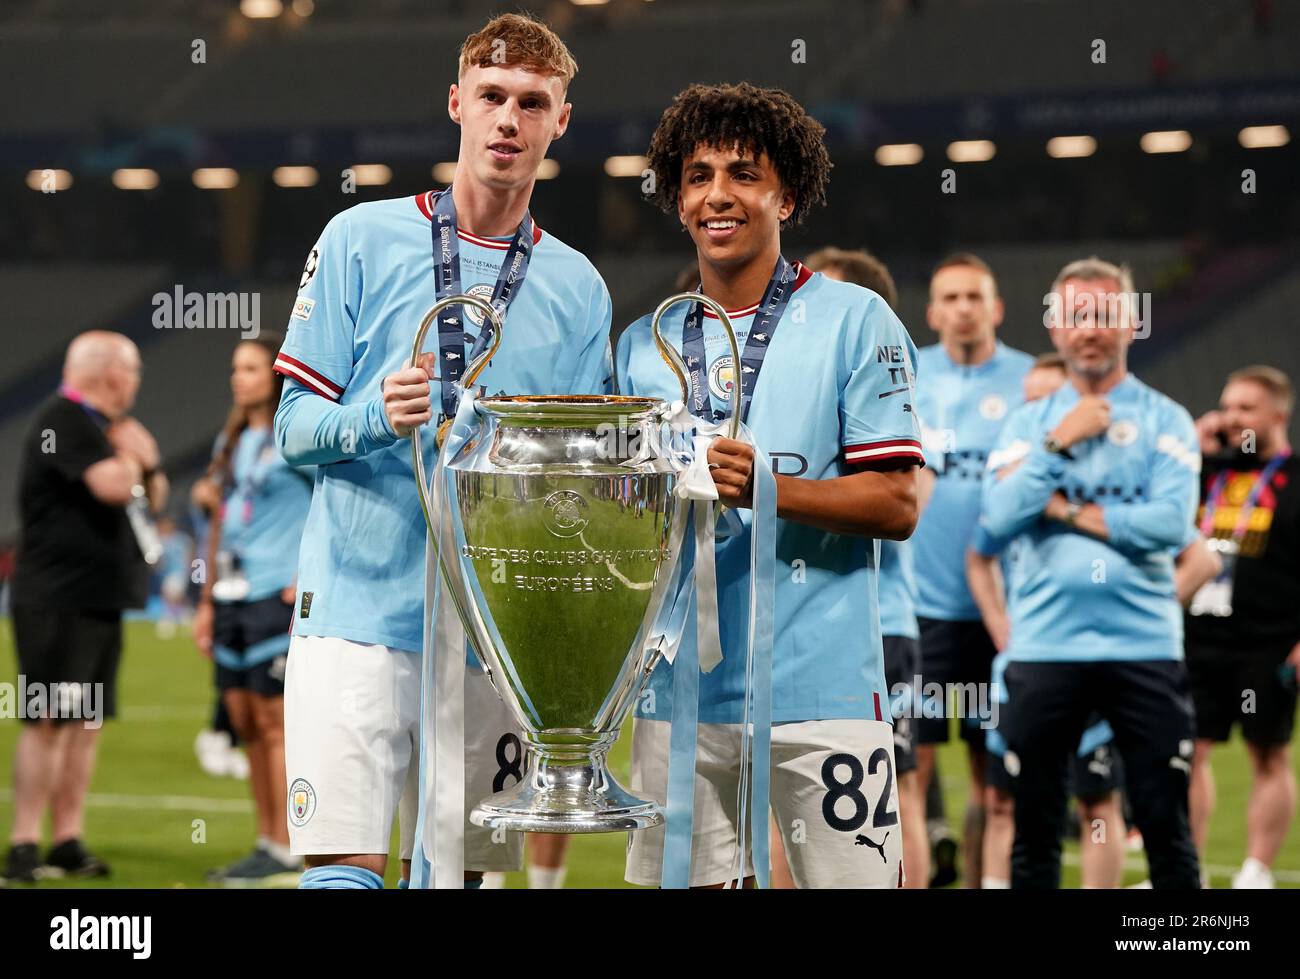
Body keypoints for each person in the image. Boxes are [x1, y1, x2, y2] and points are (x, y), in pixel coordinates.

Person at [272, 13, 612, 890]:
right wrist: (372, 417)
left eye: (532, 102)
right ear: (457, 104)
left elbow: (579, 478)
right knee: (342, 871)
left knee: (463, 877)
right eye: (492, 97)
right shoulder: (359, 237)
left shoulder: (578, 287)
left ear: (559, 121)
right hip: (355, 616)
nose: (509, 119)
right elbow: (291, 430)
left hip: (493, 639)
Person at [618, 83, 923, 888]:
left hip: (822, 690)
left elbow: (897, 502)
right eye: (697, 175)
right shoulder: (642, 347)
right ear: (679, 199)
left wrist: (767, 489)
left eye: (743, 174)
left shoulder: (857, 320)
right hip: (678, 700)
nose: (717, 193)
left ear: (786, 194)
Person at [982, 257, 1201, 889]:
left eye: (1105, 314)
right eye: (1078, 315)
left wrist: (1063, 509)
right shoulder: (1029, 423)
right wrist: (1058, 444)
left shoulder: (1166, 418)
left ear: (1132, 323)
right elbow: (997, 518)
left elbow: (1168, 524)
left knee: (1166, 829)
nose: (1091, 329)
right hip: (1046, 650)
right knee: (1035, 834)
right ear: (1055, 328)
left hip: (1145, 650)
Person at [3, 331, 168, 884]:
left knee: (86, 722)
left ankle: (67, 838)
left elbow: (153, 492)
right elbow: (115, 486)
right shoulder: (62, 421)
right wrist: (138, 460)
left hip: (98, 601)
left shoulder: (99, 428)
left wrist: (144, 466)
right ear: (110, 374)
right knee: (49, 719)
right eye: (135, 370)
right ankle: (25, 843)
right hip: (57, 601)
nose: (139, 381)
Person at [798, 245, 932, 889]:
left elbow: (905, 506)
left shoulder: (883, 386)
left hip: (876, 627)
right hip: (784, 632)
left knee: (899, 800)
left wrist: (771, 488)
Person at [911, 253, 1034, 886]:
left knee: (997, 776)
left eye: (974, 297)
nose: (963, 308)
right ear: (933, 312)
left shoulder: (1032, 381)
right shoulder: (906, 376)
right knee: (912, 766)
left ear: (996, 308)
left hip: (1005, 615)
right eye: (950, 297)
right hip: (921, 609)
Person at [190, 333, 312, 886]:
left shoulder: (295, 439)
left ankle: (289, 845)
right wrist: (206, 601)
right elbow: (218, 523)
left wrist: (304, 576)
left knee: (272, 720)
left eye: (250, 368)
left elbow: (328, 505)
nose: (238, 378)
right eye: (235, 369)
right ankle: (266, 840)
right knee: (242, 719)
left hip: (274, 594)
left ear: (275, 375)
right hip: (232, 596)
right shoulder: (233, 440)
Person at [1186, 365, 1299, 889]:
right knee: (1190, 752)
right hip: (1199, 637)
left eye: (1246, 409)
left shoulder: (1294, 479)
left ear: (1279, 415)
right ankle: (1187, 872)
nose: (1233, 418)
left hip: (1268, 642)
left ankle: (1256, 871)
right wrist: (1194, 445)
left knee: (1268, 754)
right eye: (1228, 406)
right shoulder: (1206, 471)